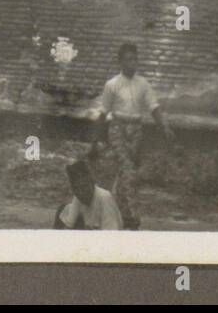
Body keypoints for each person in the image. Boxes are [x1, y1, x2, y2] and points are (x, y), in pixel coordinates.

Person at [92, 42, 173, 230]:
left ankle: (110, 212)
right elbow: (103, 112)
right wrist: (95, 139)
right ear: (120, 62)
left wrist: (165, 127)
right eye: (128, 59)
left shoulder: (143, 84)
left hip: (136, 131)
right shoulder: (112, 85)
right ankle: (131, 216)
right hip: (118, 129)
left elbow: (154, 107)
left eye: (135, 59)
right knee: (128, 169)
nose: (132, 63)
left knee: (125, 173)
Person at [53, 160, 123, 230]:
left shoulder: (104, 198)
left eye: (84, 187)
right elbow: (68, 226)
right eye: (76, 188)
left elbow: (111, 237)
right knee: (62, 209)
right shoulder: (78, 197)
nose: (81, 192)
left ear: (91, 182)